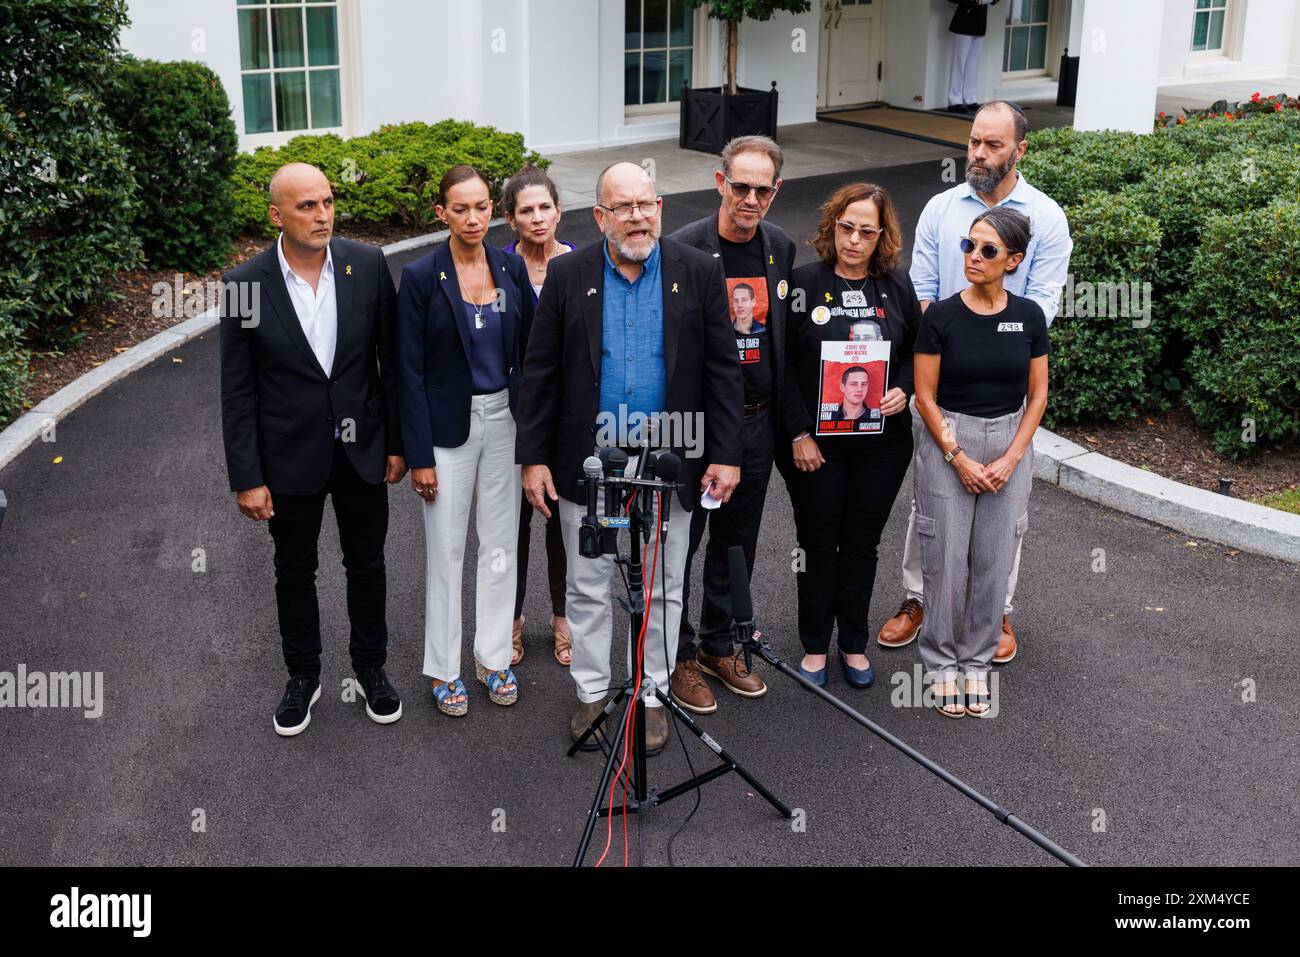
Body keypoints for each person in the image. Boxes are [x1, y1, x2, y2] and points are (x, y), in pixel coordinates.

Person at [516, 161, 743, 753]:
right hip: (589, 457)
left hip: (673, 454)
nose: (637, 217)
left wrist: (726, 453)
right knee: (588, 581)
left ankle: (651, 694)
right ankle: (592, 691)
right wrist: (533, 458)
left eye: (646, 205)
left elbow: (722, 369)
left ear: (660, 208)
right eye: (623, 207)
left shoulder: (697, 271)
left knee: (665, 582)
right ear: (600, 217)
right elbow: (539, 372)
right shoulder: (568, 275)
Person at [877, 100, 1071, 663]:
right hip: (939, 379)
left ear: (1019, 150)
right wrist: (941, 345)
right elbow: (920, 289)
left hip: (1006, 382)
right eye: (973, 143)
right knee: (931, 500)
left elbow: (1043, 303)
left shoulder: (1046, 216)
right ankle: (919, 599)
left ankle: (996, 609)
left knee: (1006, 510)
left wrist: (994, 341)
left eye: (991, 145)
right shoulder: (941, 208)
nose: (978, 154)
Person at [219, 162, 406, 736]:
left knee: (367, 563)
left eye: (327, 202)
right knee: (294, 570)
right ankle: (303, 674)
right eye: (307, 206)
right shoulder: (245, 284)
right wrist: (246, 477)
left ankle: (371, 667)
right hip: (288, 457)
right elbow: (238, 387)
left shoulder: (368, 265)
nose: (322, 215)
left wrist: (397, 444)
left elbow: (392, 365)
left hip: (361, 449)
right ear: (276, 215)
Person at [396, 165, 534, 717]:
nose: (473, 218)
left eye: (481, 207)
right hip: (447, 430)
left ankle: (494, 655)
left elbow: (526, 351)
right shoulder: (421, 276)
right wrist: (419, 456)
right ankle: (443, 669)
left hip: (505, 421)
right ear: (441, 213)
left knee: (499, 545)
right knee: (446, 550)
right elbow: (407, 371)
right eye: (460, 208)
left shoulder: (511, 267)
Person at [665, 135, 796, 716]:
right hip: (696, 428)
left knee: (735, 541)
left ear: (775, 192)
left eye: (761, 189)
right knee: (681, 542)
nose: (749, 198)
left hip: (756, 424)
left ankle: (721, 644)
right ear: (720, 183)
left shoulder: (780, 248)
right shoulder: (683, 248)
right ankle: (677, 654)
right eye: (739, 186)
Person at [912, 207, 1048, 717]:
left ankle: (977, 663)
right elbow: (924, 397)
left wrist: (1012, 456)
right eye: (969, 245)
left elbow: (1037, 396)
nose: (974, 257)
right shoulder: (940, 317)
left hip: (1010, 441)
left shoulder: (1029, 316)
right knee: (944, 556)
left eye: (988, 250)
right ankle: (941, 664)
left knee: (994, 560)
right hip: (949, 434)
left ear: (1012, 260)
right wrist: (957, 455)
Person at [784, 183, 920, 689]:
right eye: (846, 227)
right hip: (816, 445)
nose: (854, 240)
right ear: (832, 226)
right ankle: (816, 645)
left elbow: (916, 352)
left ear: (881, 236)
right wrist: (797, 431)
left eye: (866, 231)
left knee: (862, 544)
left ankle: (854, 644)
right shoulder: (802, 283)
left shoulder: (897, 286)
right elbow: (783, 368)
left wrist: (903, 389)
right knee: (818, 543)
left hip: (882, 444)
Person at [501, 164, 577, 668]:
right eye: (525, 210)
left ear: (559, 211)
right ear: (510, 219)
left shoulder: (580, 263)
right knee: (512, 526)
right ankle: (509, 622)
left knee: (563, 519)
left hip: (569, 413)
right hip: (511, 413)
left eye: (544, 207)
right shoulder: (496, 266)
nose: (537, 217)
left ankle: (563, 620)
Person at [946, 0, 1001, 114]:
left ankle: (969, 97)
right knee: (959, 62)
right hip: (964, 19)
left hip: (980, 20)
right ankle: (954, 99)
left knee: (973, 63)